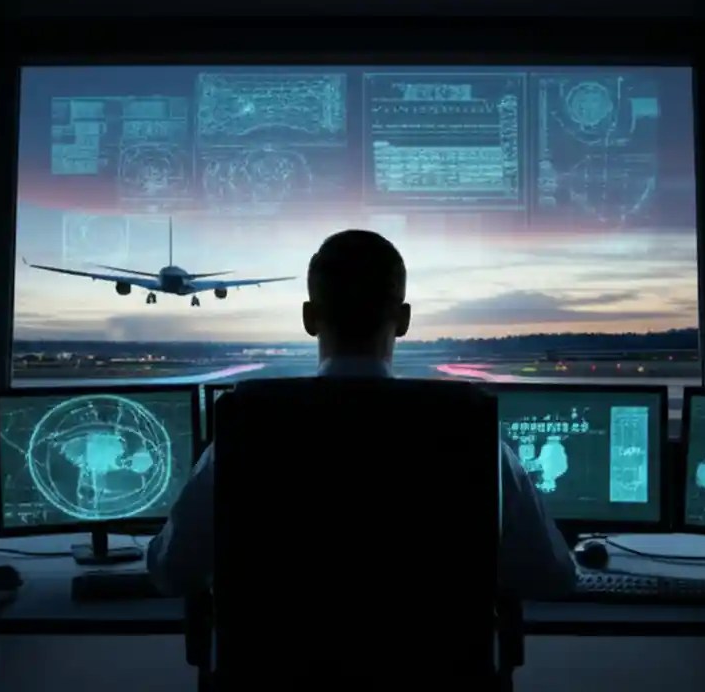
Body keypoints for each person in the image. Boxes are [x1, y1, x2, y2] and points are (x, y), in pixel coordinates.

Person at [147, 230, 576, 598]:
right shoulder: (469, 433)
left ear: (310, 318)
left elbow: (172, 572)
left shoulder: (246, 432)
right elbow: (552, 576)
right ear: (404, 320)